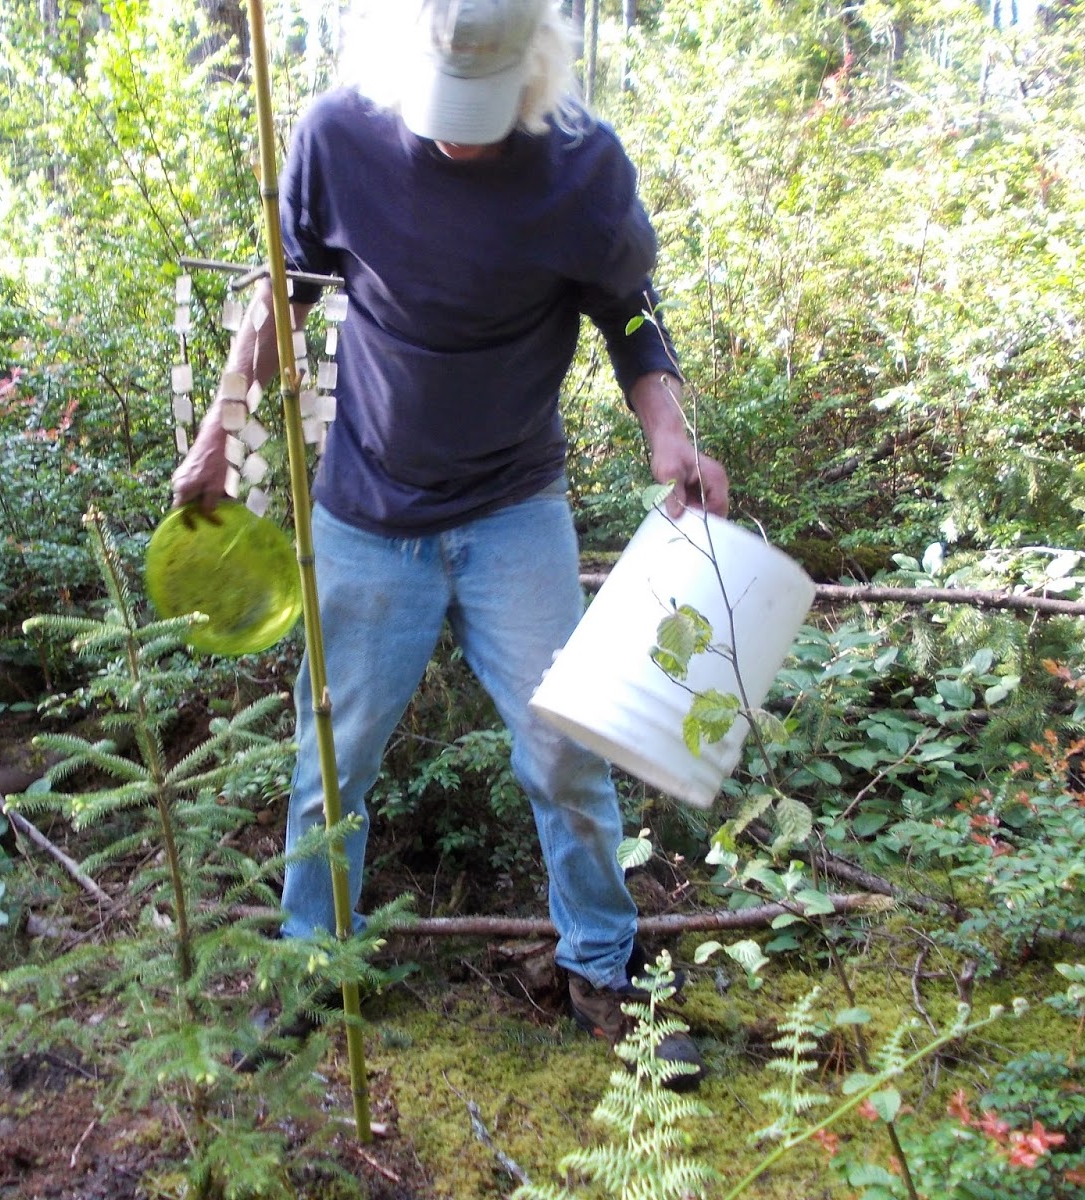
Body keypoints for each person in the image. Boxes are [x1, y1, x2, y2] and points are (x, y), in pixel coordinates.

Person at [171, 0, 729, 1088]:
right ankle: (308, 972)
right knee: (331, 760)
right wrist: (219, 437)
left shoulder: (581, 166)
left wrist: (668, 428)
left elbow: (626, 310)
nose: (457, 136)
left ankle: (603, 975)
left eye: (482, 110)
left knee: (569, 748)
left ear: (532, 73)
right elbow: (282, 291)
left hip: (514, 506)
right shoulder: (337, 134)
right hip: (365, 513)